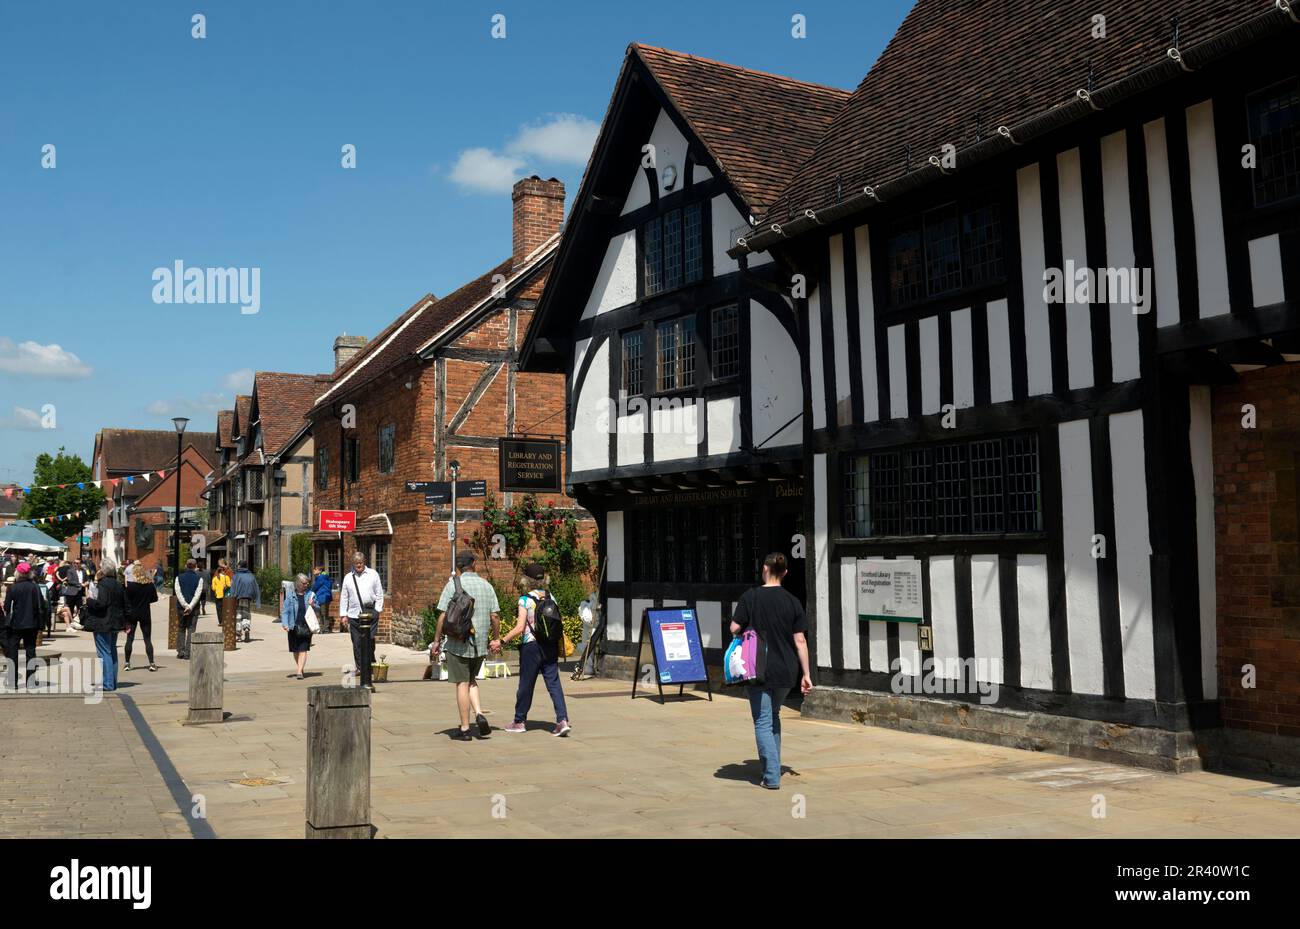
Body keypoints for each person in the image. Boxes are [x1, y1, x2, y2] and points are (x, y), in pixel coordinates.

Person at [729, 553, 812, 790]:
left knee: (763, 721)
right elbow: (800, 641)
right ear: (785, 573)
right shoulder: (793, 601)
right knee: (773, 716)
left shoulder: (750, 597)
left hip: (758, 667)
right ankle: (773, 768)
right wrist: (806, 675)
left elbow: (734, 627)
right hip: (787, 670)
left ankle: (772, 776)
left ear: (765, 569)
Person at [431, 551, 500, 741]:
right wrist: (495, 639)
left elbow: (443, 615)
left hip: (457, 642)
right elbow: (495, 615)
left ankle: (465, 728)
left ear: (459, 567)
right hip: (479, 644)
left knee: (461, 683)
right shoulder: (487, 586)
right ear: (474, 564)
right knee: (471, 680)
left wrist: (436, 641)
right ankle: (478, 713)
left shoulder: (453, 585)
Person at [500, 562, 570, 736]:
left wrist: (502, 641)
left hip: (531, 646)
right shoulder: (551, 597)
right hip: (550, 645)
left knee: (526, 684)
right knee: (554, 684)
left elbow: (519, 627)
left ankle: (519, 721)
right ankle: (562, 720)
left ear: (526, 580)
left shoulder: (524, 600)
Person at [338, 551, 384, 692]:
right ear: (353, 564)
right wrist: (343, 614)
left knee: (369, 640)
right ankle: (360, 667)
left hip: (370, 612)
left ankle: (369, 662)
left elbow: (379, 593)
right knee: (357, 642)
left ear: (364, 562)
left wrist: (377, 610)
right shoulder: (348, 578)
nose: (359, 565)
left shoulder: (373, 574)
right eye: (357, 563)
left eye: (361, 563)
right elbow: (344, 596)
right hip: (354, 614)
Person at [82, 559, 126, 692]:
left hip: (103, 622)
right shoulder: (119, 585)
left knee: (104, 652)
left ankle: (108, 683)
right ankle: (112, 681)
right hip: (115, 622)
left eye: (100, 567)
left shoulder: (103, 585)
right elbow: (124, 604)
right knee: (111, 651)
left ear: (104, 570)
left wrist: (89, 600)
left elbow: (101, 603)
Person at [3, 562, 45, 690]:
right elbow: (42, 605)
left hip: (15, 625)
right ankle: (31, 681)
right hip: (32, 624)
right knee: (31, 652)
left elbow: (6, 607)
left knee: (12, 653)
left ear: (18, 573)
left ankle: (13, 682)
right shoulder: (35, 587)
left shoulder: (13, 588)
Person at [123, 562, 159, 672]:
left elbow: (126, 601)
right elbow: (155, 598)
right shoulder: (149, 585)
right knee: (147, 639)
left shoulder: (130, 586)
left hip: (132, 614)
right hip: (145, 614)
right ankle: (152, 663)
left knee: (130, 639)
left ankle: (127, 663)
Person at [279, 573, 314, 679]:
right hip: (293, 626)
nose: (306, 585)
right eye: (304, 583)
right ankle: (300, 667)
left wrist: (313, 605)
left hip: (306, 626)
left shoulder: (311, 594)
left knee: (303, 649)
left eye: (307, 583)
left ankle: (299, 671)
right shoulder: (290, 596)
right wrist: (285, 624)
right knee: (295, 650)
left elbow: (317, 607)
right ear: (298, 584)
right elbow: (285, 611)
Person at [173, 559, 204, 660]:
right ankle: (188, 652)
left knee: (181, 628)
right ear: (195, 567)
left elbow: (177, 592)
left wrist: (184, 605)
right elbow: (198, 594)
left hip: (181, 608)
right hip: (194, 608)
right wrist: (190, 606)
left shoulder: (179, 577)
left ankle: (180, 651)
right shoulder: (199, 579)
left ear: (186, 565)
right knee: (191, 629)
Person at [230, 561, 259, 642]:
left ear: (240, 566)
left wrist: (232, 597)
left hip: (238, 598)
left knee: (238, 615)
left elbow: (232, 587)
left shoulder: (236, 575)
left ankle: (238, 635)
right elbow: (255, 587)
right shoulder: (251, 575)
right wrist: (255, 597)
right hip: (247, 598)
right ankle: (246, 628)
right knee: (246, 614)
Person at [309, 566, 333, 634]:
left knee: (323, 613)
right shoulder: (324, 577)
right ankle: (323, 628)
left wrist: (310, 591)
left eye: (315, 569)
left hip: (323, 596)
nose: (313, 570)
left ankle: (325, 629)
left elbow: (315, 587)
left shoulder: (321, 577)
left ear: (320, 571)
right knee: (323, 613)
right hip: (324, 597)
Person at [210, 560, 230, 628]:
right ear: (222, 571)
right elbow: (229, 585)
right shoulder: (226, 577)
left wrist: (217, 589)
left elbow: (213, 588)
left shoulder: (215, 578)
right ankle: (225, 620)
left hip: (217, 595)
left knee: (218, 609)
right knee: (224, 608)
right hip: (224, 595)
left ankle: (220, 621)